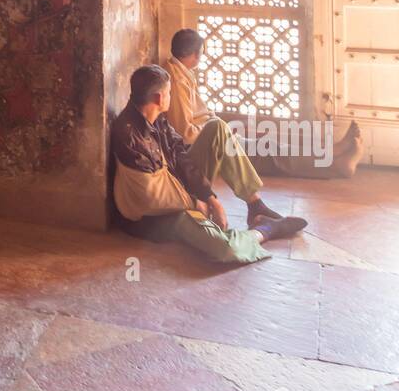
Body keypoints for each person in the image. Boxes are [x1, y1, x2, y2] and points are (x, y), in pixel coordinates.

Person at [111, 65, 308, 266]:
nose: (171, 96)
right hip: (156, 218)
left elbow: (180, 156)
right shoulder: (129, 135)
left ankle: (255, 205)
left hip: (177, 190)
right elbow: (152, 197)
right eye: (169, 93)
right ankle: (266, 229)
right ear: (159, 98)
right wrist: (195, 202)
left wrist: (209, 197)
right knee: (225, 248)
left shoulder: (156, 119)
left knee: (217, 127)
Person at [164, 28, 364, 178]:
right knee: (271, 154)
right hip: (207, 147)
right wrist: (220, 133)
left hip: (215, 136)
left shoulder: (180, 72)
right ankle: (337, 165)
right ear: (194, 55)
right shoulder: (176, 81)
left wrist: (223, 130)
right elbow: (184, 133)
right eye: (201, 53)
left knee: (268, 143)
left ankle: (334, 151)